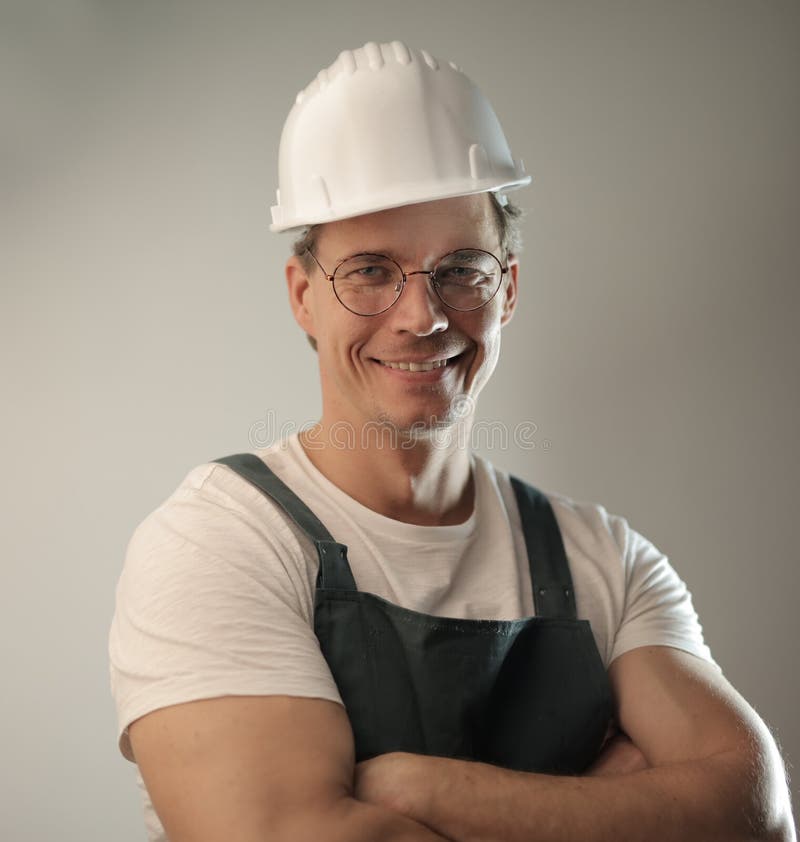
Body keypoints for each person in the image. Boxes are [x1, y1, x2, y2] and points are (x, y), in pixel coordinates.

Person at [109, 41, 795, 842]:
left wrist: (414, 789)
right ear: (304, 297)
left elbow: (755, 814)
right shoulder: (220, 544)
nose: (421, 315)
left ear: (506, 288)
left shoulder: (604, 561)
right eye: (369, 270)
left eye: (459, 268)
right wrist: (617, 805)